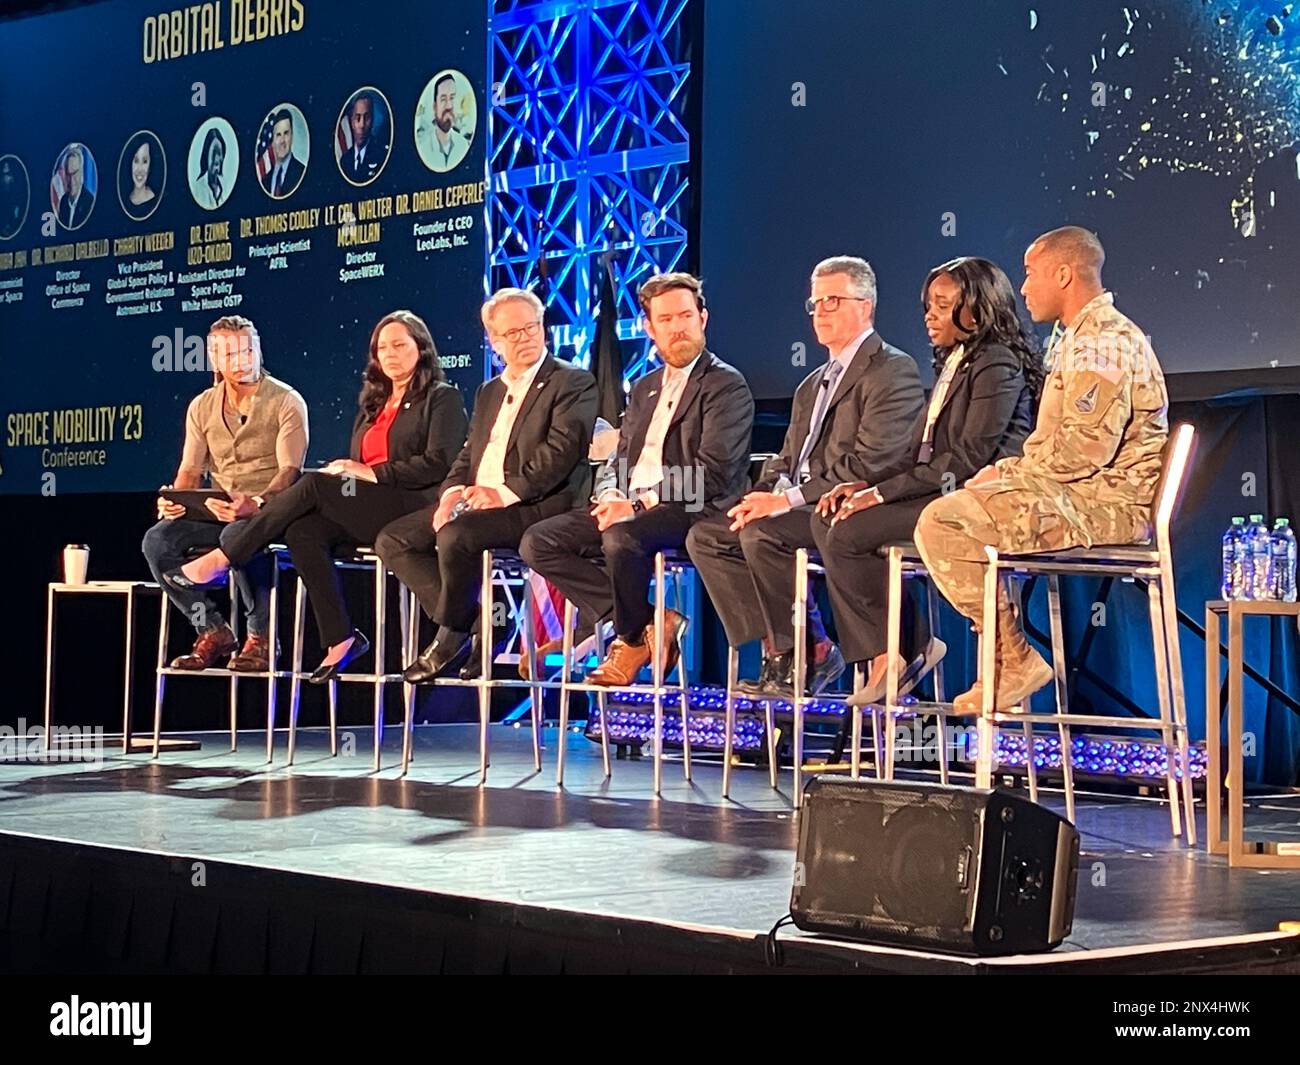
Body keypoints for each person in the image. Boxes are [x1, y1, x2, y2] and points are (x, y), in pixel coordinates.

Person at [913, 226, 1169, 712]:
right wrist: (1010, 471)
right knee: (958, 511)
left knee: (945, 522)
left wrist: (1010, 475)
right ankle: (1008, 660)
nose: (1024, 288)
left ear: (1065, 274)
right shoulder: (1074, 339)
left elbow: (1083, 452)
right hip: (1075, 495)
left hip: (1103, 505)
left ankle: (1014, 656)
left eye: (1031, 275)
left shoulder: (1105, 342)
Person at [166, 311, 468, 683]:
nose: (390, 354)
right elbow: (359, 463)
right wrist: (354, 473)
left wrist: (369, 473)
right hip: (371, 501)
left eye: (400, 345)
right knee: (303, 530)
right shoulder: (374, 403)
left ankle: (225, 556)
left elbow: (441, 463)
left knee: (311, 484)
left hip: (416, 502)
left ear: (421, 349)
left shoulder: (442, 398)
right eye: (382, 348)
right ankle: (341, 637)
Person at [686, 256, 924, 698]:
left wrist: (787, 500)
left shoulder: (892, 370)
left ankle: (797, 652)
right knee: (709, 536)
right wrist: (760, 494)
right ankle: (797, 645)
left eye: (833, 300)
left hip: (844, 508)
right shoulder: (812, 382)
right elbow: (787, 455)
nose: (821, 311)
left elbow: (874, 462)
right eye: (815, 303)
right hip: (799, 503)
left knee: (761, 536)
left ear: (866, 305)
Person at [813, 257, 1041, 706]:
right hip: (941, 489)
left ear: (976, 308)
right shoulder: (955, 360)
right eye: (927, 305)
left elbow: (968, 457)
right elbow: (916, 451)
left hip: (975, 498)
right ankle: (896, 649)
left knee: (850, 532)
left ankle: (897, 651)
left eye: (942, 304)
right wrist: (863, 485)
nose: (929, 315)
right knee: (830, 518)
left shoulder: (997, 362)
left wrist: (881, 494)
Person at [520, 272, 754, 686]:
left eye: (685, 316)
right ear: (649, 328)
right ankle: (649, 619)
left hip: (693, 507)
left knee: (621, 538)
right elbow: (622, 457)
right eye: (666, 320)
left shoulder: (725, 385)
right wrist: (611, 492)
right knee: (539, 541)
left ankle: (627, 640)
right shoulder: (644, 387)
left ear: (704, 318)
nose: (677, 327)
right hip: (633, 505)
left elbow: (713, 475)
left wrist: (638, 504)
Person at [377, 288, 598, 683]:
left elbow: (560, 454)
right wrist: (449, 494)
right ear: (494, 341)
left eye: (531, 328)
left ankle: (449, 633)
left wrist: (503, 493)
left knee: (456, 537)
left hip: (536, 504)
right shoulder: (488, 391)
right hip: (477, 500)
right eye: (512, 333)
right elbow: (469, 454)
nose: (525, 338)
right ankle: (480, 621)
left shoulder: (573, 382)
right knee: (394, 539)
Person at [143, 316, 308, 671]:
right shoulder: (201, 406)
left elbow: (289, 472)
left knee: (240, 534)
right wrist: (176, 499)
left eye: (248, 349)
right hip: (217, 509)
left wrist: (257, 503)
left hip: (270, 512)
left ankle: (260, 639)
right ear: (215, 360)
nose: (243, 359)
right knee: (157, 541)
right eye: (231, 353)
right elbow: (190, 469)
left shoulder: (286, 401)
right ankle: (213, 629)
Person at [416, 73, 470, 172]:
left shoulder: (463, 145)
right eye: (443, 99)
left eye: (452, 98)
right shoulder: (424, 149)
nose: (449, 106)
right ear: (434, 107)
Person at [340, 92, 388, 184]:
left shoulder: (382, 155)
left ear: (372, 119)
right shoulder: (345, 160)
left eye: (366, 118)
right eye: (357, 118)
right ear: (351, 121)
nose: (361, 125)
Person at [260, 109, 306, 199]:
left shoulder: (301, 172)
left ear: (292, 136)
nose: (282, 141)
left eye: (286, 133)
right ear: (273, 141)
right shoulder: (265, 181)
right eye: (278, 135)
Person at [57, 146, 94, 229]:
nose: (71, 180)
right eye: (68, 174)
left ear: (81, 174)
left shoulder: (90, 202)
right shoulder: (63, 201)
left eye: (74, 174)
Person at [123, 134, 159, 217]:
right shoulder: (125, 200)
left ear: (150, 165)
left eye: (145, 161)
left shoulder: (154, 199)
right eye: (136, 160)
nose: (140, 169)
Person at [195, 127, 227, 209]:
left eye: (219, 153)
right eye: (214, 153)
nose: (216, 160)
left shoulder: (225, 187)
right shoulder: (197, 189)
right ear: (206, 156)